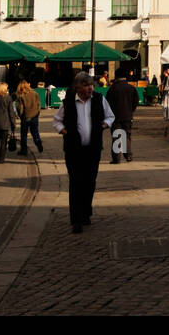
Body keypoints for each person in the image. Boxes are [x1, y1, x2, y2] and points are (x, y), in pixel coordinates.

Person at [53, 72, 113, 234]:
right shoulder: (68, 103)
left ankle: (86, 211)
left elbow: (110, 116)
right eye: (86, 85)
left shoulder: (100, 99)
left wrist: (104, 125)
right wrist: (63, 131)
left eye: (91, 85)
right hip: (73, 150)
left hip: (93, 149)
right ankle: (76, 219)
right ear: (77, 87)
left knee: (90, 182)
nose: (90, 88)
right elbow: (56, 120)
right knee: (75, 183)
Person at [106, 76, 139, 164]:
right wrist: (130, 110)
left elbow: (108, 103)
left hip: (115, 117)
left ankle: (116, 159)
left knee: (117, 136)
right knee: (127, 135)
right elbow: (135, 102)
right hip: (128, 116)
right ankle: (128, 155)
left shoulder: (112, 89)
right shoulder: (131, 88)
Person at [14, 80, 43, 156]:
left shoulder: (21, 96)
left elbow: (20, 108)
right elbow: (39, 104)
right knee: (35, 132)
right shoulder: (35, 93)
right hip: (34, 116)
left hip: (25, 117)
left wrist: (20, 115)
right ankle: (38, 143)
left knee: (24, 135)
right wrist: (37, 113)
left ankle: (24, 150)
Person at [0, 81, 16, 163]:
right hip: (5, 123)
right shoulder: (8, 98)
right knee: (4, 142)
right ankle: (1, 158)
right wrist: (13, 124)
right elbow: (11, 112)